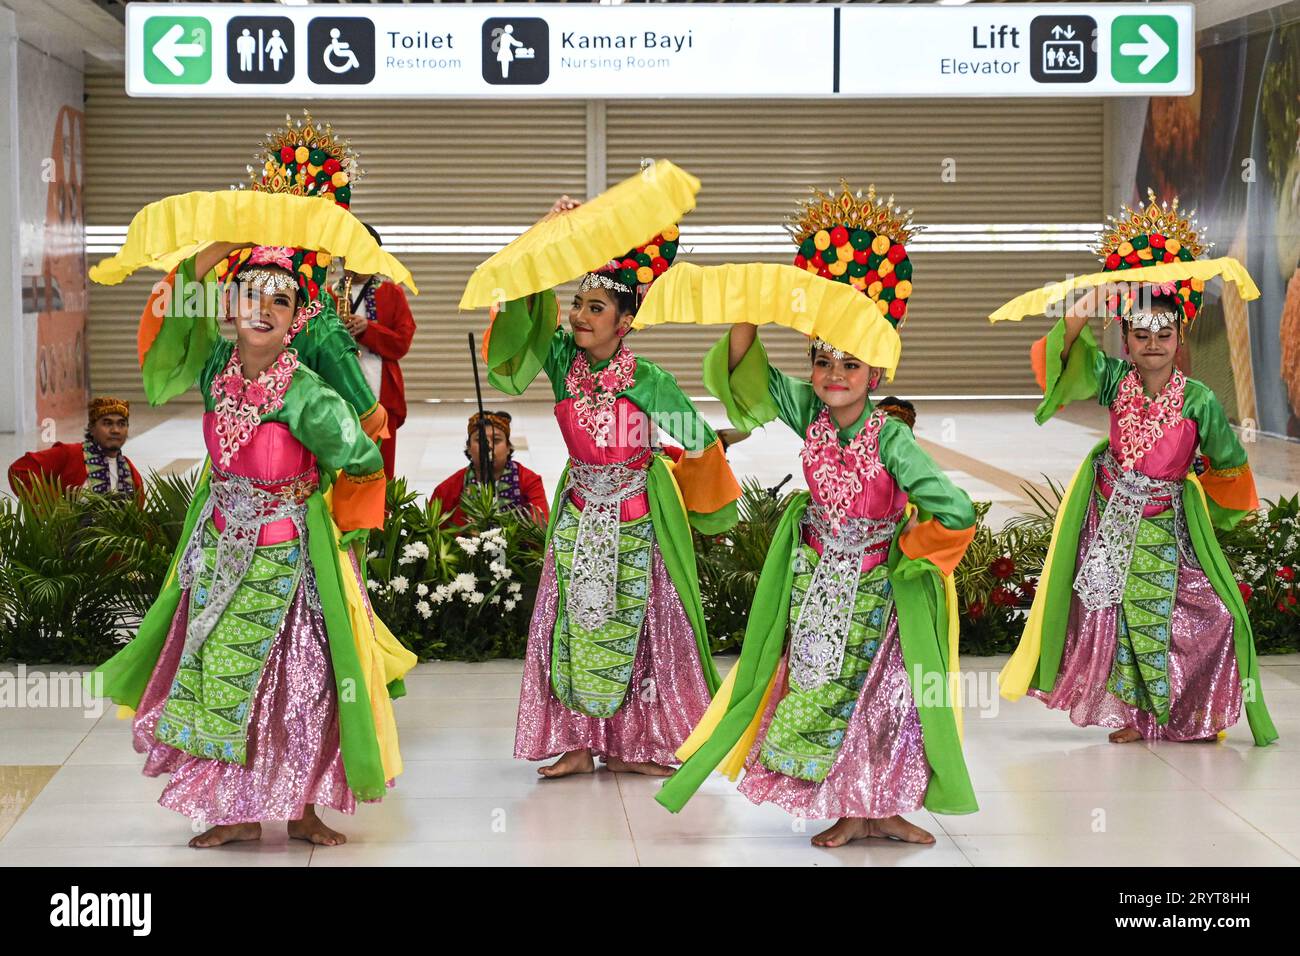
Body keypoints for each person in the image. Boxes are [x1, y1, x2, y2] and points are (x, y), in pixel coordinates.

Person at [657, 182, 979, 848]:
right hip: (815, 585)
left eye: (850, 363)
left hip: (878, 595)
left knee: (880, 701)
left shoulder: (891, 437)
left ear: (876, 371)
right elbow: (750, 379)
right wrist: (748, 312)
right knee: (823, 692)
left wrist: (909, 556)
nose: (834, 374)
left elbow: (951, 505)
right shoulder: (809, 412)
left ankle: (884, 807)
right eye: (823, 360)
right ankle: (844, 804)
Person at [87, 209, 417, 848]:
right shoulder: (216, 371)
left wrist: (326, 518)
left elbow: (365, 460)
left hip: (292, 561)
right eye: (248, 294)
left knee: (301, 683)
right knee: (220, 674)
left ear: (299, 320)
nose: (262, 307)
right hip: (216, 555)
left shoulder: (310, 395)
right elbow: (168, 315)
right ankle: (233, 807)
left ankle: (303, 809)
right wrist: (221, 244)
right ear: (227, 307)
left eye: (281, 299)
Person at [998, 191, 1277, 747]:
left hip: (1170, 522)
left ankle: (1187, 711)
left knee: (1210, 613)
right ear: (1124, 339)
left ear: (1180, 338)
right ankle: (1134, 715)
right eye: (1141, 335)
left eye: (1164, 334)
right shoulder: (1112, 381)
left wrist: (1215, 513)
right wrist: (1092, 301)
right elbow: (1061, 357)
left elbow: (1229, 463)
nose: (1153, 345)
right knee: (1119, 616)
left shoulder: (1197, 399)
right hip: (1110, 516)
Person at [490, 196, 742, 779]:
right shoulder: (561, 361)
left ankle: (638, 742)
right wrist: (550, 235)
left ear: (624, 322)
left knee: (639, 628)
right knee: (574, 625)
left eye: (594, 307)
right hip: (579, 512)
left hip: (635, 517)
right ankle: (578, 743)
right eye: (577, 302)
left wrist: (683, 469)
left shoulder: (648, 379)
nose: (578, 314)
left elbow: (697, 437)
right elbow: (526, 315)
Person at [332, 223, 416, 480]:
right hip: (340, 390)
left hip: (381, 392)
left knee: (382, 464)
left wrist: (370, 329)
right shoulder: (329, 294)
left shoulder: (390, 292)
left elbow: (402, 341)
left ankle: (382, 517)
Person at [8, 397, 144, 506]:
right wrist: (54, 505)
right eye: (107, 423)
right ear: (91, 428)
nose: (115, 430)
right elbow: (19, 470)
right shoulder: (70, 454)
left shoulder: (131, 473)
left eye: (121, 424)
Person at [430, 410, 549, 526]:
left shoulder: (529, 480)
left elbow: (543, 530)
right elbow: (431, 532)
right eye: (480, 440)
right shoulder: (447, 489)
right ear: (469, 448)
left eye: (496, 440)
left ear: (508, 447)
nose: (489, 446)